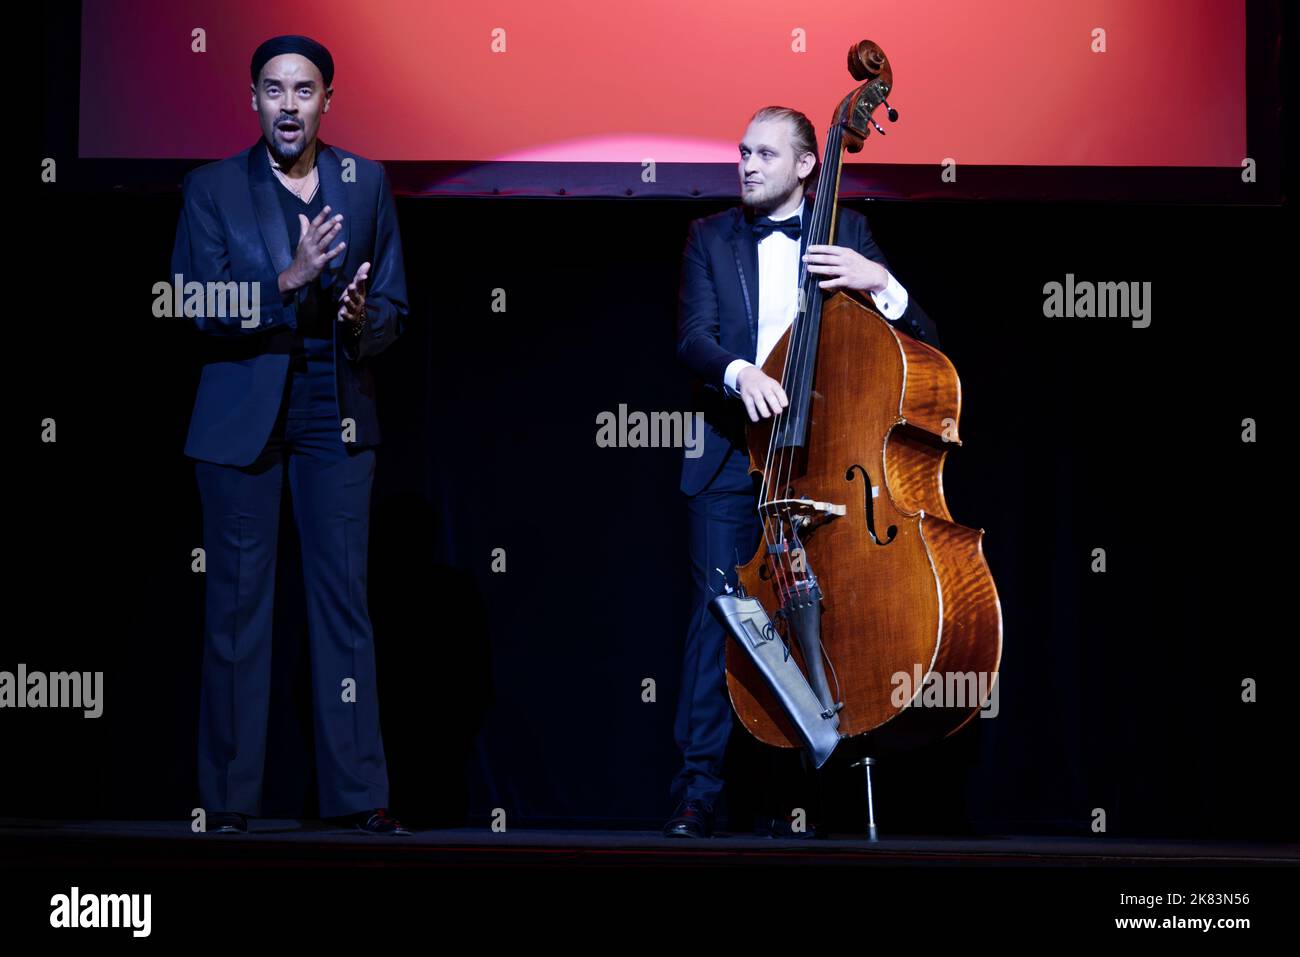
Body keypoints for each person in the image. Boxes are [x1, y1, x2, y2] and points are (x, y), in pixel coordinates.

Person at [665, 105, 941, 838]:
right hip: (732, 455)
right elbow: (693, 337)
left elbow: (922, 338)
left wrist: (881, 281)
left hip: (825, 461)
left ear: (807, 166)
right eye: (742, 151)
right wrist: (737, 372)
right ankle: (698, 791)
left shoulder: (847, 233)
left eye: (763, 153)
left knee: (838, 612)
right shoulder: (708, 236)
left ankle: (837, 783)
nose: (747, 164)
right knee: (720, 619)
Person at [172, 35, 410, 835]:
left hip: (333, 406)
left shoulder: (365, 182)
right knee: (238, 607)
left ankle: (357, 795)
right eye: (273, 90)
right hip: (242, 409)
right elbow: (193, 304)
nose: (288, 105)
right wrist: (289, 282)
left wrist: (358, 318)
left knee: (343, 602)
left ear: (326, 102)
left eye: (303, 91)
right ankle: (232, 799)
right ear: (253, 100)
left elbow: (393, 313)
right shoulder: (212, 189)